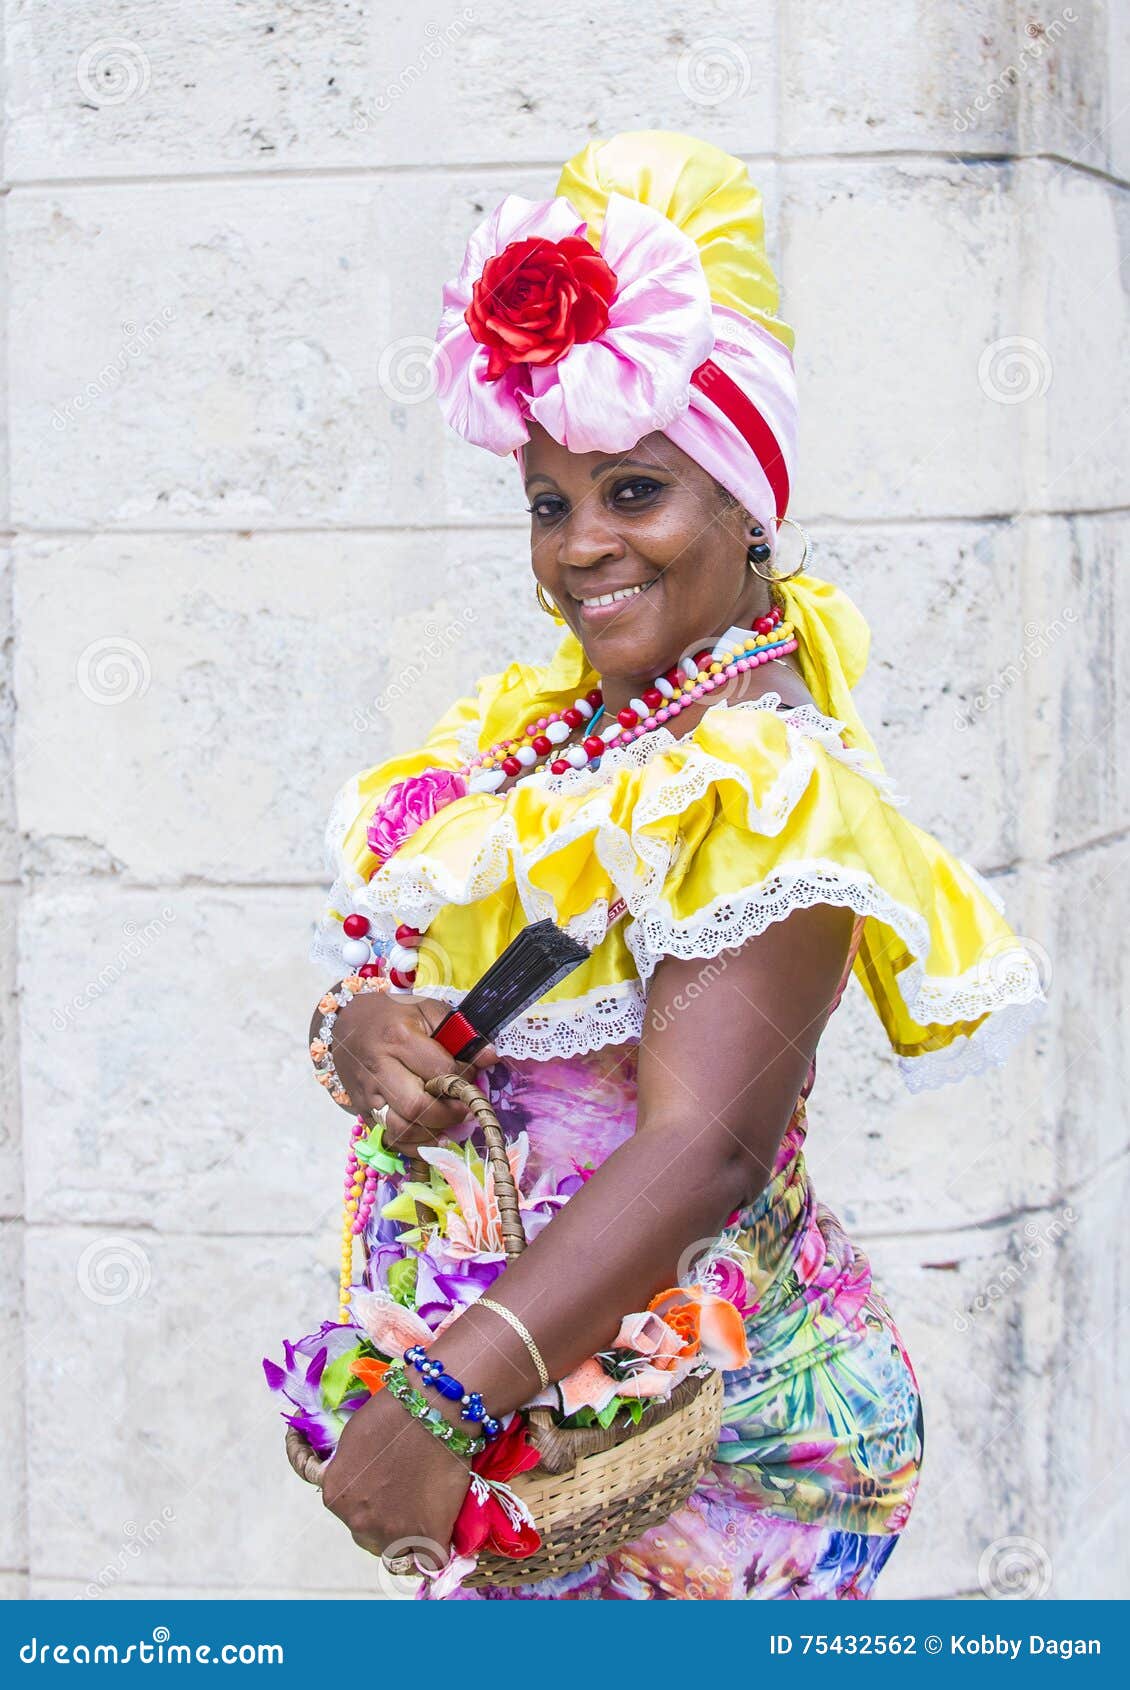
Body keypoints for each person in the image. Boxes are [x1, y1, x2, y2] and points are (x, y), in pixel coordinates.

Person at [274, 131, 1047, 1600]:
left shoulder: (763, 775)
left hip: (709, 1452)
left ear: (748, 504)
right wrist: (363, 1030)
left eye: (634, 492)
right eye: (549, 504)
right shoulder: (556, 743)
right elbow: (470, 995)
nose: (580, 549)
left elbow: (705, 1146)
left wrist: (444, 1398)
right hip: (547, 1406)